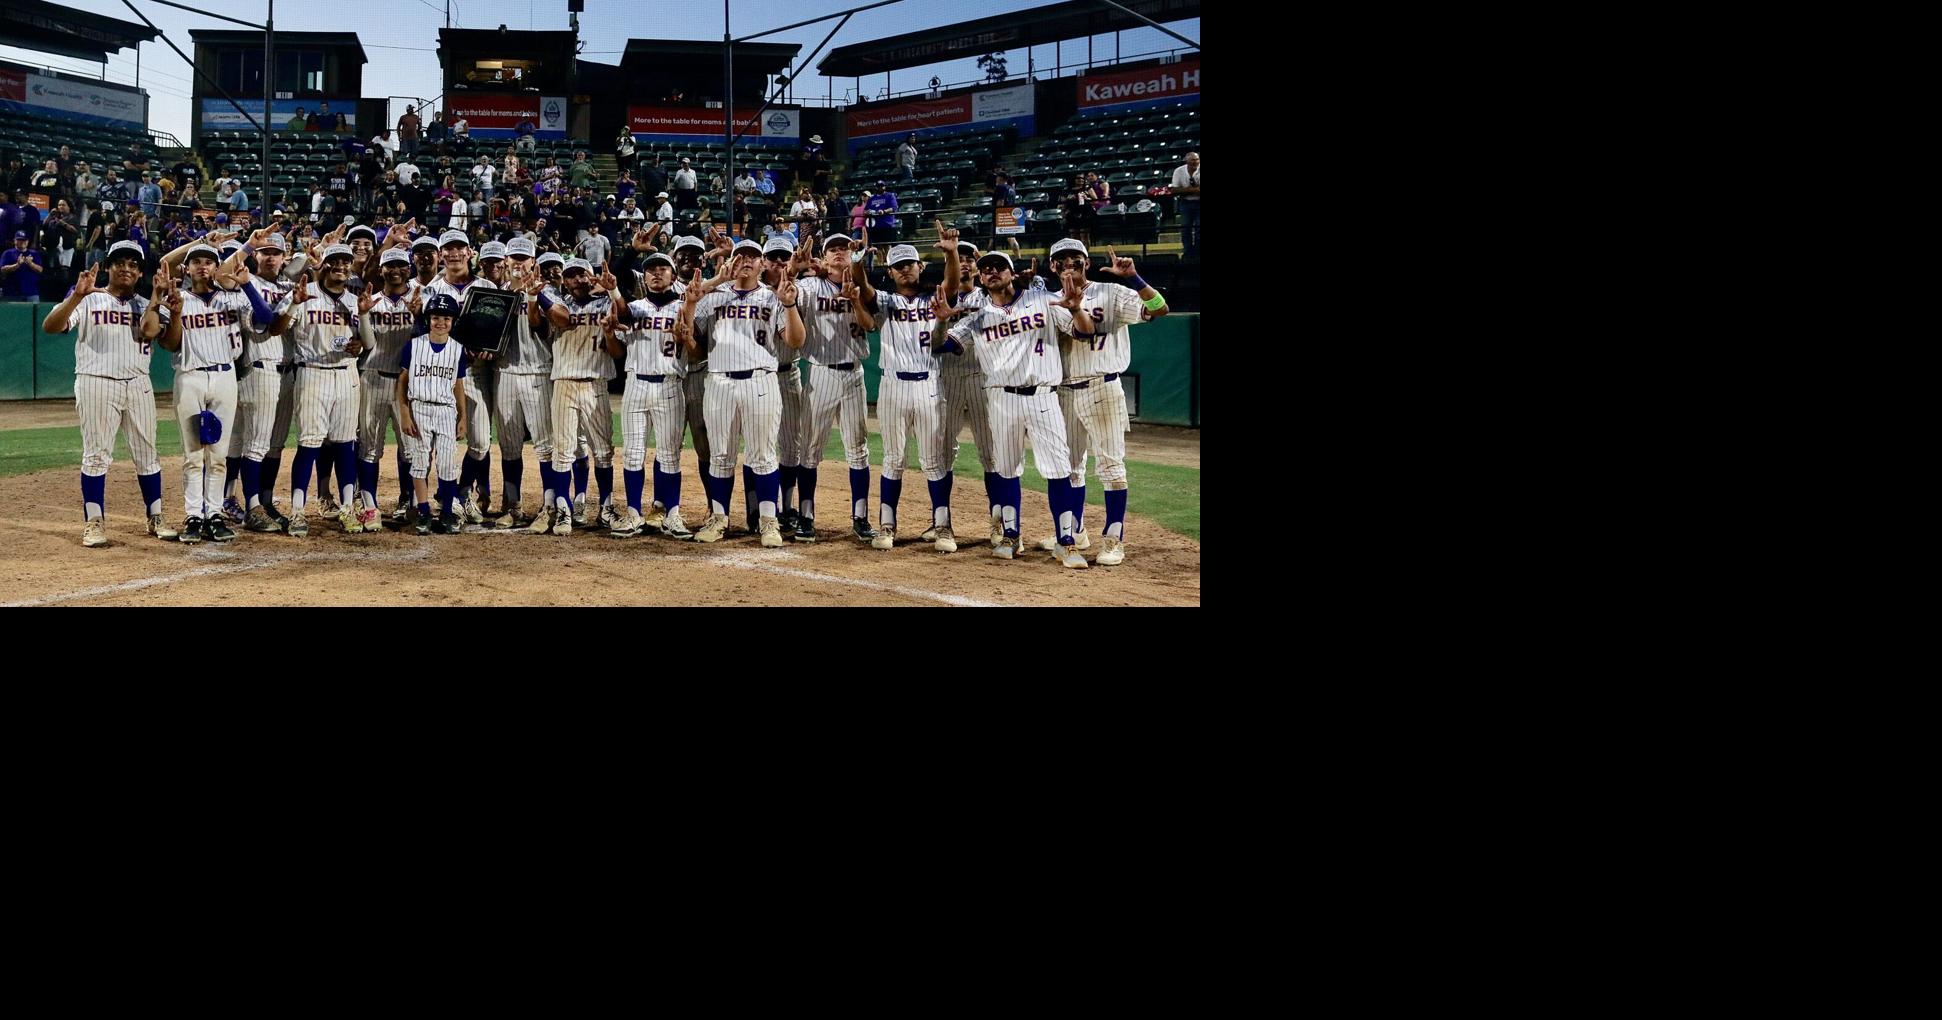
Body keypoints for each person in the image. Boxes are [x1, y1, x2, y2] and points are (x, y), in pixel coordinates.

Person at [936, 249, 1096, 566]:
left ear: (1011, 272)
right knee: (1006, 469)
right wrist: (941, 320)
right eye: (986, 269)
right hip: (1001, 398)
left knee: (1059, 469)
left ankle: (1066, 542)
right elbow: (941, 346)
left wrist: (1077, 309)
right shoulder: (978, 316)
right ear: (981, 277)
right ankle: (1011, 535)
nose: (992, 272)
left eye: (1000, 267)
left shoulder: (1043, 300)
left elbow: (1084, 331)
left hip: (1043, 395)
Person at [43, 240, 176, 546]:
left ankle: (155, 516)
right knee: (96, 455)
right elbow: (51, 326)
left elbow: (164, 338)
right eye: (119, 263)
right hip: (96, 381)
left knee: (147, 454)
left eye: (133, 264)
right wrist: (76, 296)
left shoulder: (147, 304)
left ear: (140, 272)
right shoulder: (88, 297)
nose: (126, 269)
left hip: (139, 382)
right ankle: (93, 522)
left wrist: (159, 298)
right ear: (108, 267)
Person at [1043, 239, 1167, 565]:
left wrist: (1134, 278)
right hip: (1063, 391)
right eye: (1061, 259)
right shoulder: (1048, 302)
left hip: (1102, 386)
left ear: (1086, 262)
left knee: (1111, 467)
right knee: (1069, 468)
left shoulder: (1111, 292)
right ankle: (1075, 530)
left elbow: (1159, 309)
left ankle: (1114, 539)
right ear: (1053, 266)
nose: (1068, 263)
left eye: (1075, 258)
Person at [676, 238, 806, 545]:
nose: (746, 260)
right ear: (730, 262)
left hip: (761, 379)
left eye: (753, 256)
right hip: (719, 380)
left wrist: (789, 305)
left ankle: (769, 522)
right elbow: (690, 343)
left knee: (763, 455)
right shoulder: (711, 296)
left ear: (762, 264)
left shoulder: (774, 297)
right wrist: (692, 303)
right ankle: (719, 518)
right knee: (721, 456)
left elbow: (796, 341)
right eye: (740, 255)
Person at [151, 244, 272, 542]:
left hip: (225, 376)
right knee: (193, 455)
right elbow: (169, 344)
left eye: (208, 261)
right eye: (196, 262)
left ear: (217, 268)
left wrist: (248, 285)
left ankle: (214, 514)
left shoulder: (232, 298)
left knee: (218, 455)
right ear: (187, 269)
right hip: (189, 376)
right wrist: (175, 312)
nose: (202, 266)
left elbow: (266, 318)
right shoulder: (176, 299)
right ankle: (194, 515)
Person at [266, 243, 366, 534]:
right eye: (335, 260)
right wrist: (294, 303)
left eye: (346, 261)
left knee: (345, 444)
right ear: (324, 264)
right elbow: (276, 329)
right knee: (309, 444)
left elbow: (364, 341)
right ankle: (298, 512)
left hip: (347, 374)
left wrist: (359, 346)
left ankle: (347, 509)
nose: (341, 266)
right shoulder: (304, 294)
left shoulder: (355, 301)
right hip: (312, 373)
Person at [606, 250, 695, 537]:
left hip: (670, 383)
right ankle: (634, 514)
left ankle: (672, 515)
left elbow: (696, 347)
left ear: (673, 275)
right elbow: (618, 345)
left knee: (669, 455)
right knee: (633, 454)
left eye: (662, 268)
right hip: (635, 384)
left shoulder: (684, 307)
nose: (656, 273)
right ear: (644, 277)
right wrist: (610, 323)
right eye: (651, 269)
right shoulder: (634, 307)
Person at [395, 292, 469, 533]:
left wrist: (463, 416)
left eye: (446, 318)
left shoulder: (458, 349)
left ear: (453, 321)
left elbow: (458, 385)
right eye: (436, 317)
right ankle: (424, 511)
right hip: (419, 409)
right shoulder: (414, 345)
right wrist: (404, 413)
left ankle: (447, 511)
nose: (441, 322)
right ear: (428, 319)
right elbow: (403, 381)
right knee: (419, 462)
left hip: (446, 410)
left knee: (447, 463)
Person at [1170, 151, 1200, 259]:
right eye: (1192, 160)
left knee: (1199, 228)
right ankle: (1188, 253)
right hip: (1185, 203)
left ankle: (1197, 253)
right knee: (1185, 228)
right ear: (1186, 161)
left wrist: (1185, 190)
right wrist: (1193, 190)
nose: (1195, 162)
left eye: (1197, 159)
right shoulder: (1179, 171)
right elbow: (1174, 190)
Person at [0, 230, 44, 300]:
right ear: (15, 241)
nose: (22, 242)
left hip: (31, 293)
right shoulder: (8, 253)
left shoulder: (34, 254)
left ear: (27, 241)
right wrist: (17, 265)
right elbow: (3, 270)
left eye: (24, 240)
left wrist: (31, 264)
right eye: (19, 240)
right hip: (12, 293)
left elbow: (40, 270)